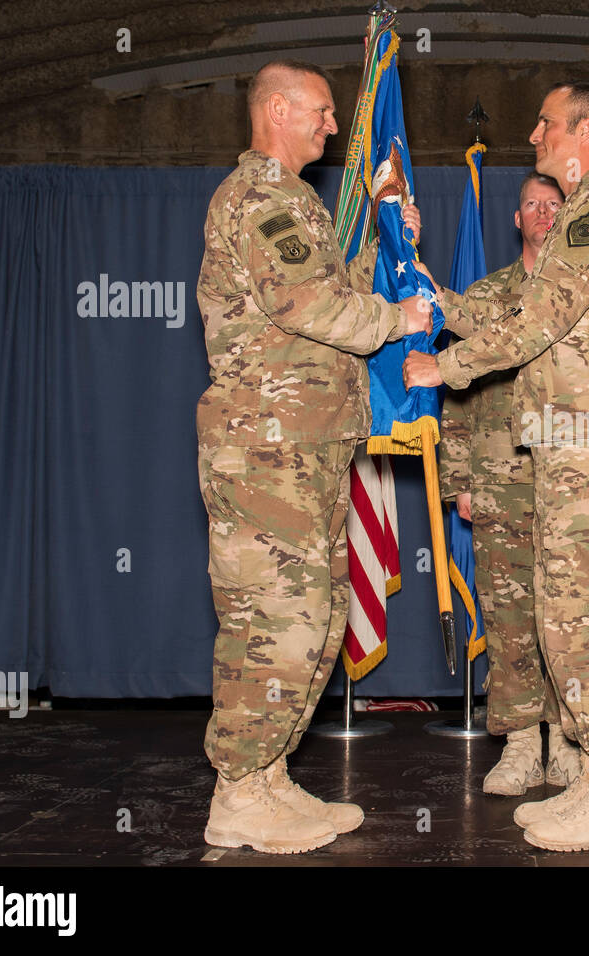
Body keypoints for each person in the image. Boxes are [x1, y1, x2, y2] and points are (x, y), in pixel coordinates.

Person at [404, 82, 589, 852]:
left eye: (546, 123)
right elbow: (511, 315)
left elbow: (538, 324)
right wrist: (417, 272)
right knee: (566, 618)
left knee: (588, 619)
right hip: (568, 443)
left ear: (584, 129)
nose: (533, 132)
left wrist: (439, 370)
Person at [195, 59, 429, 854]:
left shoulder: (297, 204)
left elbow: (321, 291)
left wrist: (390, 254)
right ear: (280, 109)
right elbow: (311, 307)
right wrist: (397, 315)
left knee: (319, 620)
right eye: (325, 113)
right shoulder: (259, 198)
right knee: (275, 623)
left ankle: (268, 778)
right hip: (267, 453)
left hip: (311, 447)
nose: (335, 127)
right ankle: (237, 791)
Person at [437, 172, 582, 795]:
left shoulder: (585, 293)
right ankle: (522, 743)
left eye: (556, 204)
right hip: (499, 479)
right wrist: (460, 479)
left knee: (572, 617)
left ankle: (569, 742)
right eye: (533, 204)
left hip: (573, 482)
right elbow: (458, 393)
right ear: (516, 219)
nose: (544, 213)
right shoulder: (486, 294)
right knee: (509, 618)